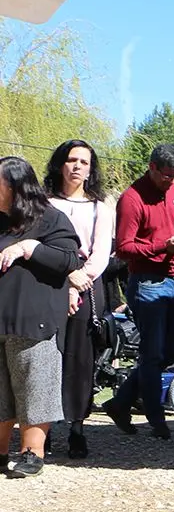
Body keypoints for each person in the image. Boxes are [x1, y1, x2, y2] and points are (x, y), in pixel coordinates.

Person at [101, 144, 174, 440]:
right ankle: (157, 420)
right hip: (148, 283)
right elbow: (124, 247)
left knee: (172, 351)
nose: (171, 181)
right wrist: (162, 246)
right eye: (167, 175)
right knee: (152, 354)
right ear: (152, 167)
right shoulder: (132, 198)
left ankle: (121, 401)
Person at [0, 157, 83, 477]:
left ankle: (32, 454)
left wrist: (29, 247)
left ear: (16, 186)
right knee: (1, 394)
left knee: (34, 388)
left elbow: (69, 260)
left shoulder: (50, 219)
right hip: (1, 320)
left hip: (34, 321)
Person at [44, 140, 115, 459]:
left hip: (87, 286)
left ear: (91, 169)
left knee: (80, 358)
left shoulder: (101, 207)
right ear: (60, 164)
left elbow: (101, 253)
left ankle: (77, 428)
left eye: (84, 162)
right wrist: (66, 279)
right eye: (71, 160)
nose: (77, 167)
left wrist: (78, 281)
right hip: (47, 282)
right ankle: (41, 427)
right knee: (45, 356)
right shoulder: (43, 203)